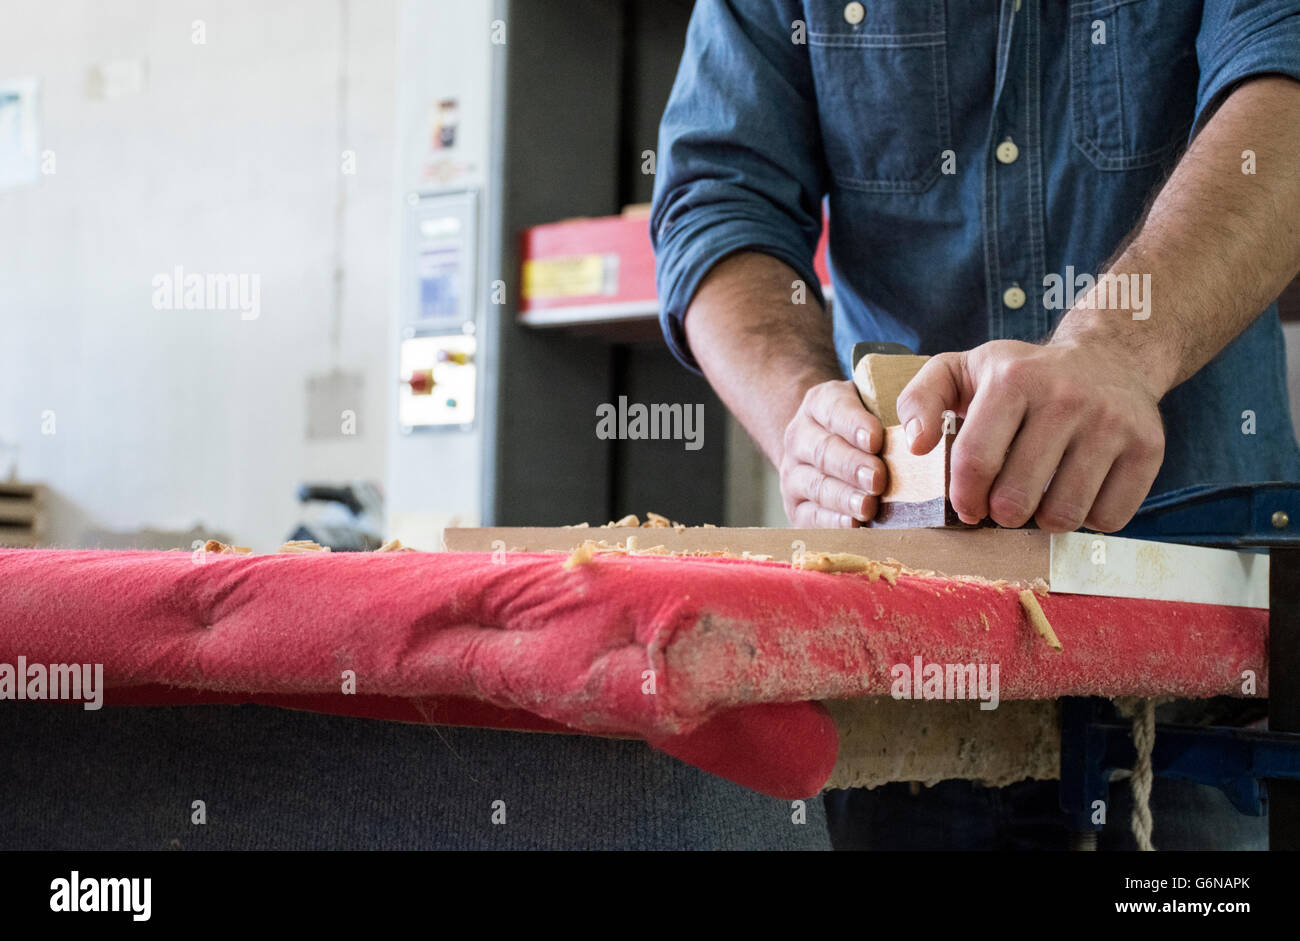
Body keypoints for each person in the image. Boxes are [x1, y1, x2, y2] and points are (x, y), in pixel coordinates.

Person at [651, 0, 1300, 849]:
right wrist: (803, 421)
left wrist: (1119, 349)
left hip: (1194, 669)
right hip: (896, 660)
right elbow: (716, 198)